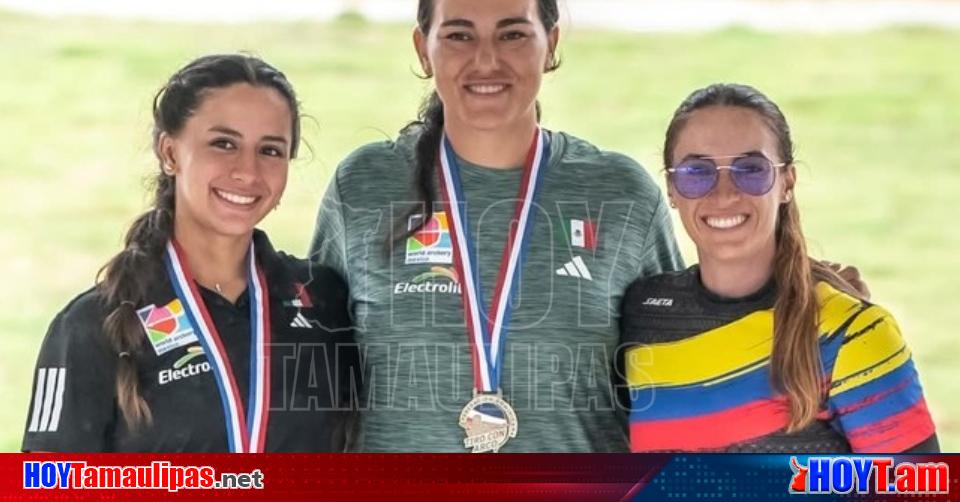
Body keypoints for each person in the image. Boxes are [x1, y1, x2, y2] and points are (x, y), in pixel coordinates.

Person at [309, 0, 683, 452]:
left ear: (552, 43)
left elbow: (673, 392)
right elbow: (314, 379)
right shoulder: (364, 187)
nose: (486, 60)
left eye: (512, 34)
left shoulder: (622, 195)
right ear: (422, 49)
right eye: (459, 35)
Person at [22, 54, 356, 453]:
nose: (248, 171)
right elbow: (43, 483)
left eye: (270, 150)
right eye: (223, 144)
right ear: (170, 153)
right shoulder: (92, 325)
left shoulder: (325, 302)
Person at [620, 83, 938, 453]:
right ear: (672, 189)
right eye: (697, 172)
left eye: (751, 169)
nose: (723, 194)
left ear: (787, 183)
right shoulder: (643, 314)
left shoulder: (851, 333)